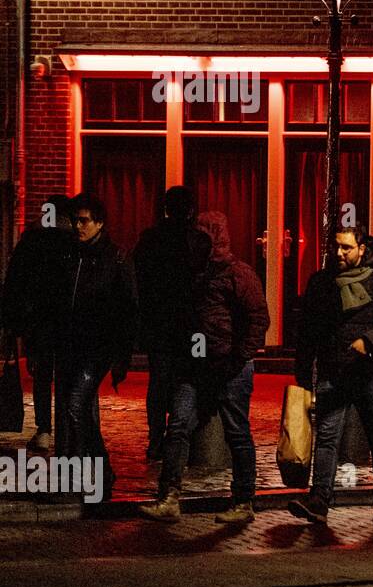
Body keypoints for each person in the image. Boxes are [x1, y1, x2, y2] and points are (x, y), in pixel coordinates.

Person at [140, 212, 269, 524]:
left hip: (229, 367)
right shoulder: (188, 272)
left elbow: (257, 320)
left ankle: (243, 501)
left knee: (237, 432)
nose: (194, 244)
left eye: (202, 239)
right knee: (179, 427)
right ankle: (169, 497)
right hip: (194, 366)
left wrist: (238, 358)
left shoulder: (239, 274)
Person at [290, 225, 373, 525]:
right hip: (333, 370)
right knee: (327, 437)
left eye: (346, 248)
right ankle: (319, 501)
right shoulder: (321, 283)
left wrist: (368, 340)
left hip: (369, 373)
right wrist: (303, 371)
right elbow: (307, 331)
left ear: (362, 250)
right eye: (337, 247)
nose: (340, 253)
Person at [56, 193, 137, 502]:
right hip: (69, 344)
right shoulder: (69, 255)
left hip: (98, 347)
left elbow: (130, 309)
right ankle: (82, 471)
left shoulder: (115, 258)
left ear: (99, 223)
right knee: (73, 406)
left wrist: (122, 355)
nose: (78, 226)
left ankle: (100, 468)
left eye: (84, 220)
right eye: (76, 220)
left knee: (77, 404)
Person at [132, 186, 212, 462]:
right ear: (190, 211)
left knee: (159, 382)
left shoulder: (150, 239)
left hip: (159, 323)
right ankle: (180, 437)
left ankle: (157, 439)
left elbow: (139, 278)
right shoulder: (199, 242)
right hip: (189, 324)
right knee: (188, 380)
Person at [1, 196, 76, 452]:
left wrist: (12, 321)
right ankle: (66, 427)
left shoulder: (32, 239)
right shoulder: (75, 242)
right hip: (67, 319)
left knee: (42, 375)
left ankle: (44, 428)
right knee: (67, 374)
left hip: (39, 318)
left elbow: (15, 281)